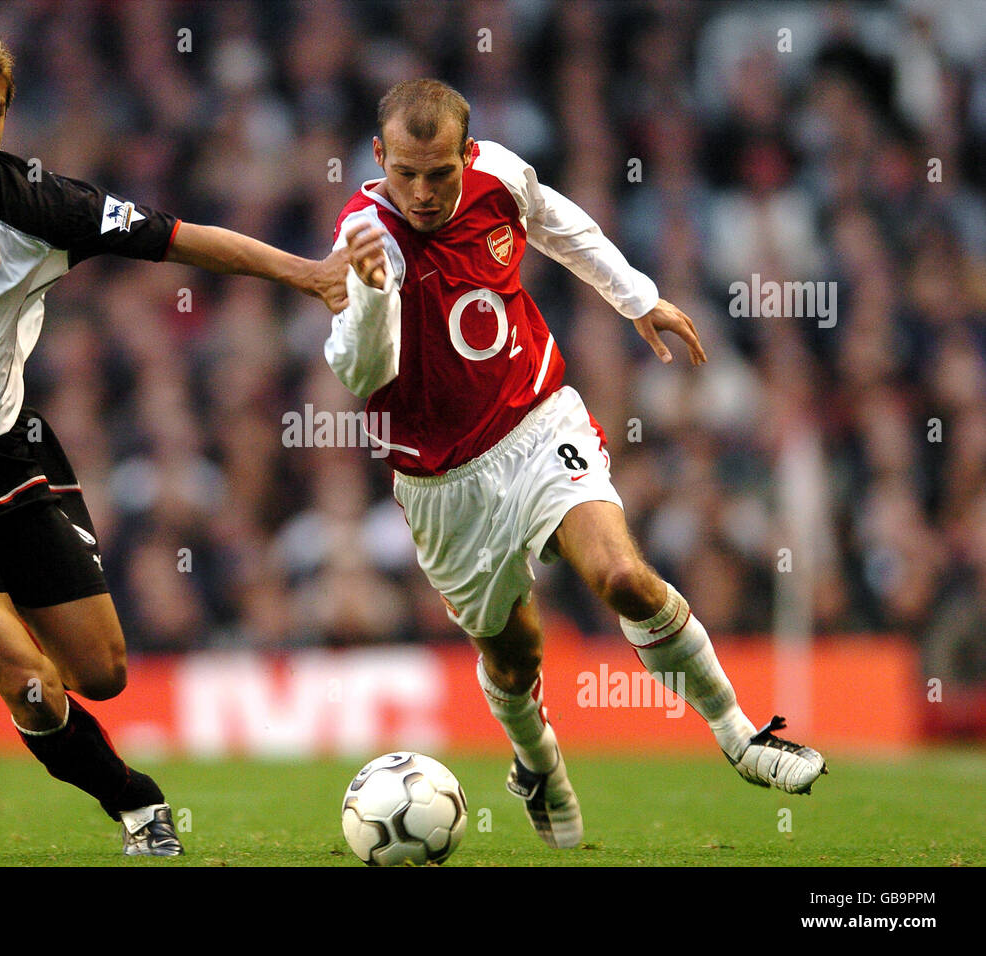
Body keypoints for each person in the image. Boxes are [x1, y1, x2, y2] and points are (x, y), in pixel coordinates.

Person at [0, 14, 347, 858]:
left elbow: (180, 239)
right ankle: (138, 806)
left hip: (6, 457)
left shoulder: (36, 203)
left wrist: (306, 274)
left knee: (103, 672)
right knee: (32, 682)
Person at [324, 78, 826, 849]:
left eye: (440, 173)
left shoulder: (501, 176)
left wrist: (637, 298)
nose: (423, 193)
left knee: (623, 577)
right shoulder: (364, 236)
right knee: (513, 651)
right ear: (378, 157)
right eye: (406, 174)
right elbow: (360, 375)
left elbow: (557, 222)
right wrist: (364, 298)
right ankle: (539, 761)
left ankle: (740, 733)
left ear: (467, 153)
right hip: (441, 483)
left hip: (536, 420)